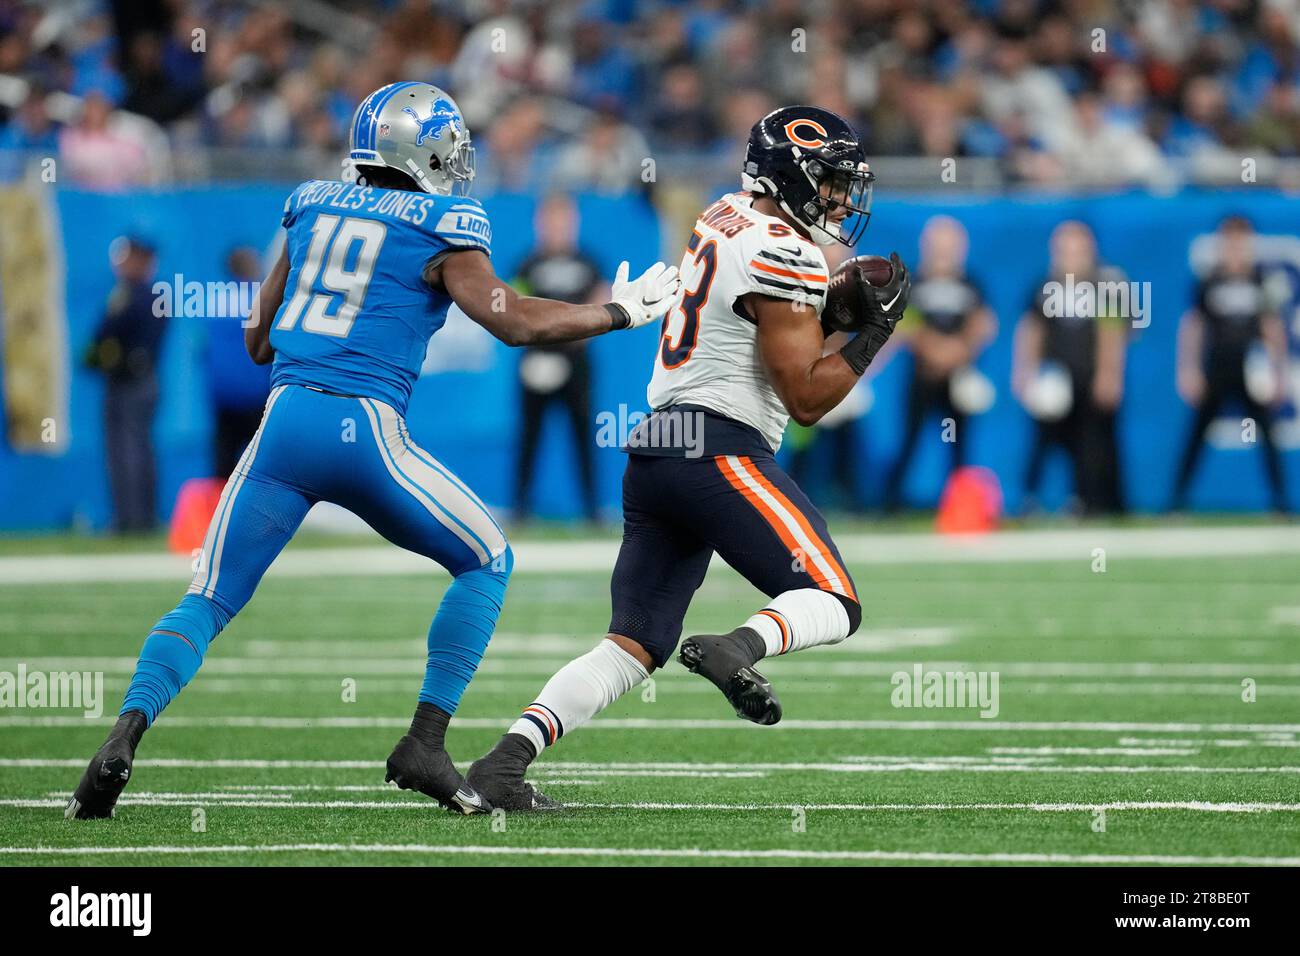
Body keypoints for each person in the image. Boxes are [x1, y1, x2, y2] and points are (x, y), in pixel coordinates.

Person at [66, 82, 681, 820]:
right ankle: (425, 741)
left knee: (207, 599)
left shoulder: (313, 203)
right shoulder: (442, 220)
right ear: (418, 151)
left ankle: (121, 737)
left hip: (284, 422)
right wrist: (621, 311)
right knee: (486, 559)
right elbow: (513, 322)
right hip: (365, 430)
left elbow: (258, 341)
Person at [466, 106, 911, 810]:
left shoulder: (726, 213)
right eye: (828, 181)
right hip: (716, 446)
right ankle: (737, 647)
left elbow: (754, 328)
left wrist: (827, 313)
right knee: (834, 598)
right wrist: (874, 331)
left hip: (659, 450)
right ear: (790, 175)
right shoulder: (785, 250)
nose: (838, 198)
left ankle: (502, 765)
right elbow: (804, 396)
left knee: (633, 643)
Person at [1172, 215, 1290, 512]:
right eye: (1231, 243)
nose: (1236, 249)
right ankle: (1176, 501)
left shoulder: (1261, 281)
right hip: (1219, 367)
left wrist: (1279, 371)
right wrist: (1189, 369)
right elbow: (1193, 325)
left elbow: (1271, 326)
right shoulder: (1210, 280)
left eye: (1241, 243)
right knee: (1197, 434)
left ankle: (1280, 503)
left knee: (1267, 435)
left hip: (1253, 370)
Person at [1013, 220, 1127, 516]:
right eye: (1065, 249)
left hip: (1089, 378)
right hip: (1055, 380)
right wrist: (1025, 372)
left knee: (1092, 444)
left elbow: (1112, 333)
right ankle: (1030, 499)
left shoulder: (1105, 285)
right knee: (1044, 441)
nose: (1071, 256)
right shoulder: (1045, 286)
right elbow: (1032, 329)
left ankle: (1091, 501)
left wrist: (1109, 373)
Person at [884, 215, 996, 511]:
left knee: (959, 446)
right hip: (922, 376)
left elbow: (983, 324)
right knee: (909, 440)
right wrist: (934, 349)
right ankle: (890, 503)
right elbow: (904, 324)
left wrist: (960, 350)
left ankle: (959, 504)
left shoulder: (971, 283)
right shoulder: (913, 283)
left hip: (957, 378)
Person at [512, 194, 604, 522]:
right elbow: (515, 306)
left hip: (576, 362)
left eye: (563, 221)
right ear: (540, 224)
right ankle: (520, 509)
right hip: (536, 359)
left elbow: (602, 304)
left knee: (582, 436)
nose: (557, 228)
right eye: (551, 221)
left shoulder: (588, 263)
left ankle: (592, 511)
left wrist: (571, 342)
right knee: (529, 437)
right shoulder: (528, 264)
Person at [85, 235, 165, 534]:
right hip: (140, 380)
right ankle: (140, 516)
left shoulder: (134, 294)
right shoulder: (154, 294)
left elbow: (109, 333)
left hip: (131, 381)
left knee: (128, 450)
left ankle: (131, 519)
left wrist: (100, 358)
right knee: (137, 449)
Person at [205, 247, 271, 478]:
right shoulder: (263, 298)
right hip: (257, 397)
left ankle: (221, 512)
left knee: (223, 465)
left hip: (223, 398)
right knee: (263, 466)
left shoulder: (216, 299)